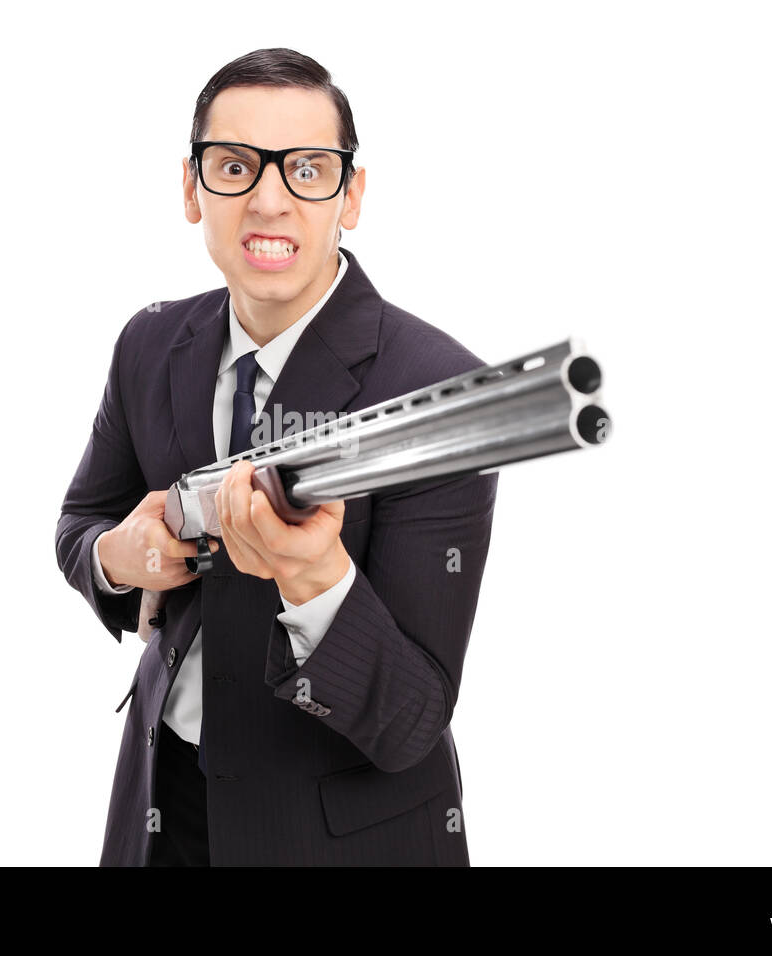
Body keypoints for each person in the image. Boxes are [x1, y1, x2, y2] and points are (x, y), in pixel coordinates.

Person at [55, 47, 497, 866]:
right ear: (191, 188)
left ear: (351, 195)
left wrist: (315, 580)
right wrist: (122, 558)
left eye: (306, 169)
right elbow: (80, 524)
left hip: (335, 838)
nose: (268, 200)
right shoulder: (150, 343)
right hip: (163, 803)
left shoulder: (440, 391)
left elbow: (410, 720)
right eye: (233, 166)